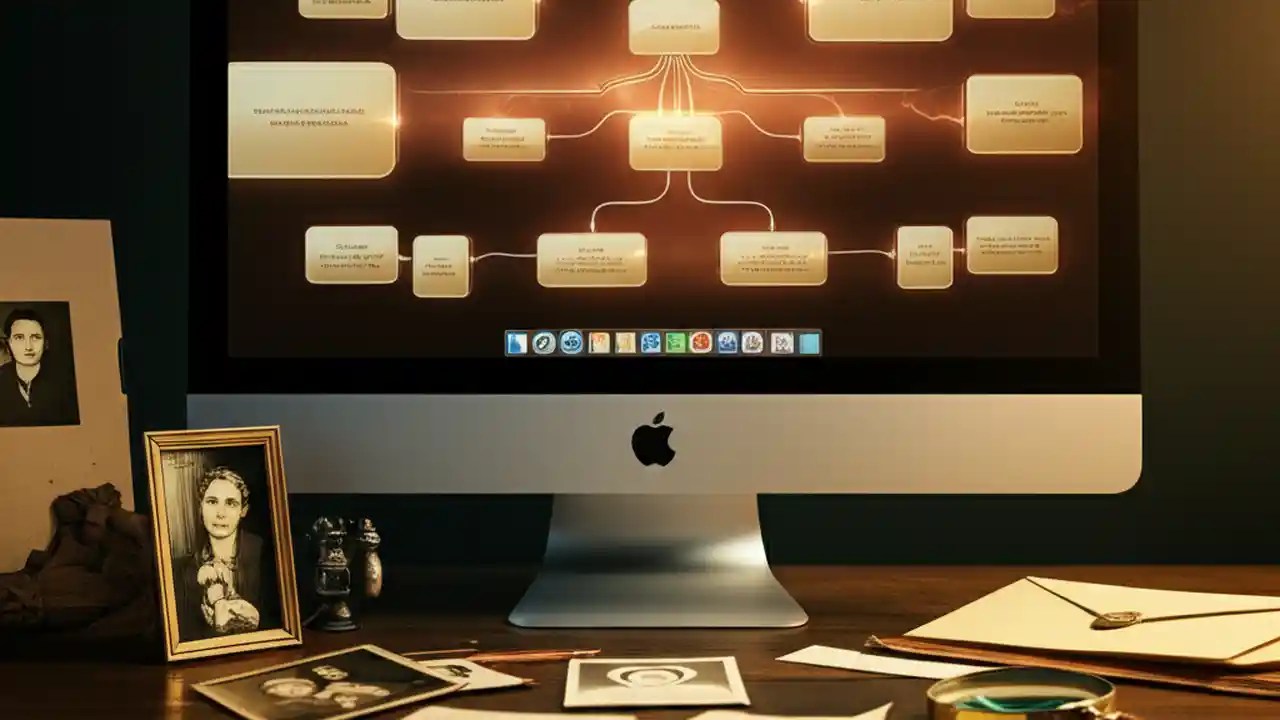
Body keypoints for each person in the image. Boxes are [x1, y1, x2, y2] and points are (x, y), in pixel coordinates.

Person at [173, 466, 277, 641]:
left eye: (231, 503)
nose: (220, 514)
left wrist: (256, 620)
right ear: (201, 507)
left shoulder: (264, 556)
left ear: (243, 511)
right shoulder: (181, 569)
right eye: (212, 502)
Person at [0, 307, 78, 427]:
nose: (28, 347)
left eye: (35, 337)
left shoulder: (65, 382)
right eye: (19, 338)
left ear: (45, 342)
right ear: (9, 342)